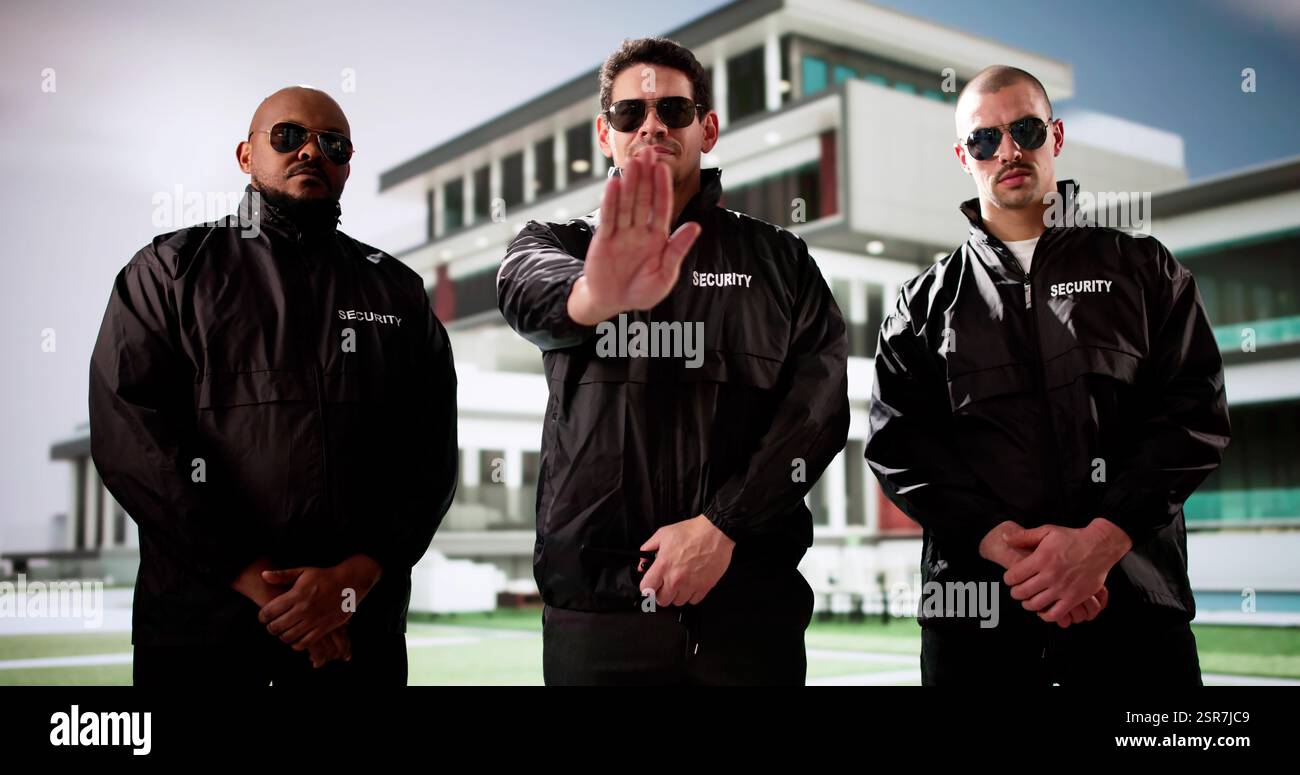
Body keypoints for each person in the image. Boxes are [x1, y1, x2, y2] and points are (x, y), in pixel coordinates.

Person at [497, 37, 849, 685]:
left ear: (707, 128)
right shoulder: (555, 244)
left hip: (748, 606)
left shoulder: (782, 260)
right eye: (630, 114)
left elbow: (818, 413)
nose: (652, 125)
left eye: (674, 111)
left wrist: (722, 526)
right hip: (598, 613)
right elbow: (522, 289)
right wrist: (593, 295)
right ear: (606, 133)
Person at [865, 65, 1230, 686]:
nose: (1007, 150)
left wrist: (1102, 542)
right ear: (963, 155)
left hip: (1134, 616)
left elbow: (1194, 415)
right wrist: (997, 543)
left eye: (1026, 129)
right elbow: (899, 447)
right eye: (985, 139)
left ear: (1055, 137)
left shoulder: (1143, 270)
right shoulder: (919, 304)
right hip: (976, 633)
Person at [90, 86, 458, 686]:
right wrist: (271, 591)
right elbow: (134, 443)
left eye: (332, 143)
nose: (311, 151)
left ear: (347, 163)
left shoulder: (396, 290)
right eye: (289, 136)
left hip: (357, 632)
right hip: (201, 633)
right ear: (245, 154)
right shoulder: (167, 272)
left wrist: (353, 579)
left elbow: (428, 457)